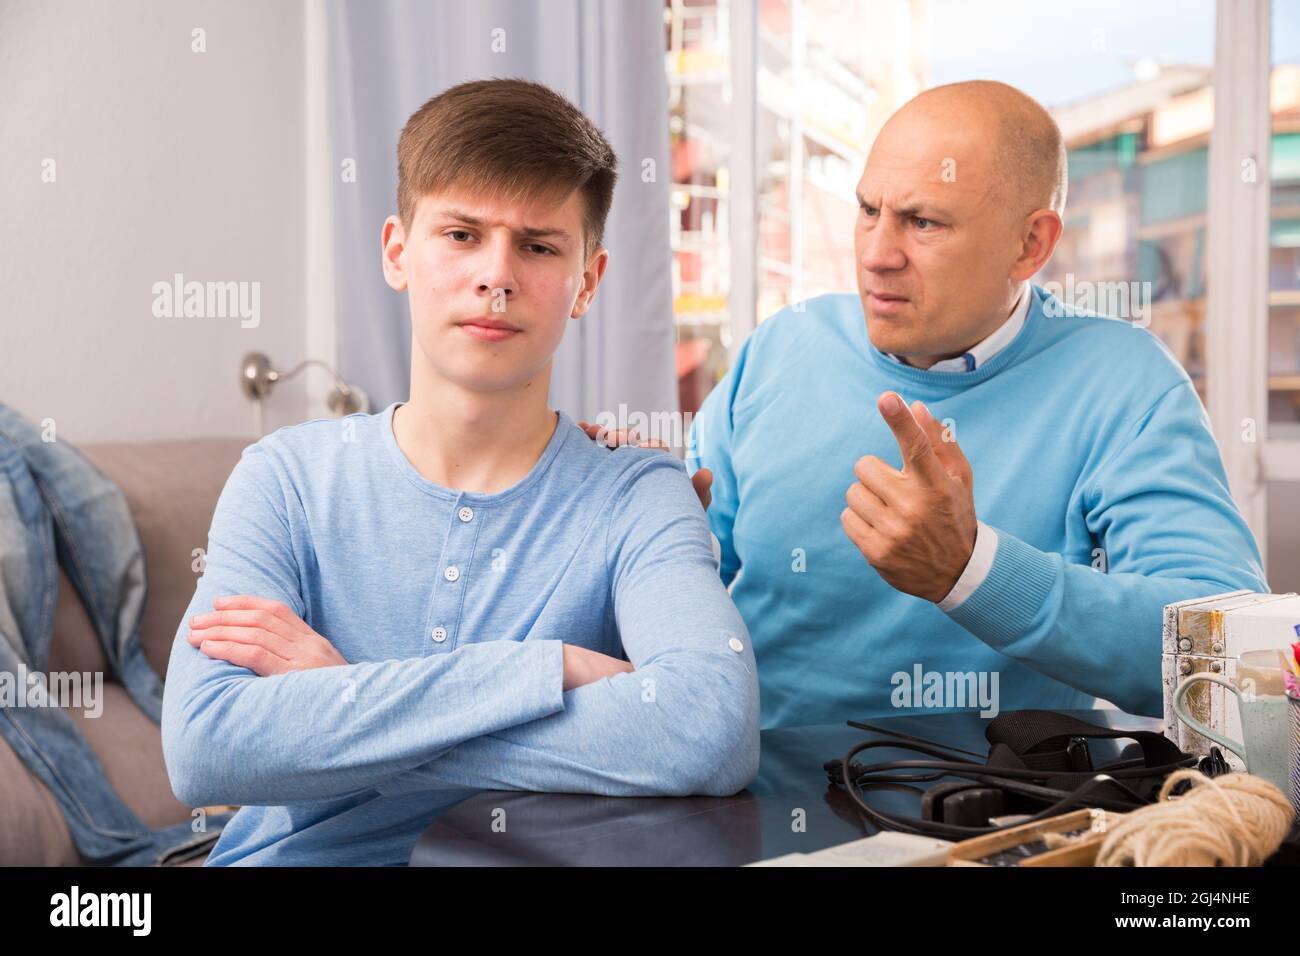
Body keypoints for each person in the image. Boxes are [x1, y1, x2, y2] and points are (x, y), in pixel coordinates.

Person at [161, 78, 759, 866]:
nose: (497, 276)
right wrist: (550, 670)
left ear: (587, 280)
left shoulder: (639, 494)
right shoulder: (285, 478)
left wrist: (351, 696)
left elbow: (710, 729)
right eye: (462, 235)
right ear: (397, 252)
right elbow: (205, 747)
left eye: (539, 245)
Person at [597, 80, 1266, 728]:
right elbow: (695, 584)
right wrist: (643, 527)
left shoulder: (1123, 381)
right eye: (867, 211)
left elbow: (1226, 655)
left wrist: (972, 570)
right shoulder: (782, 346)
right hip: (751, 794)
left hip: (994, 816)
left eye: (923, 222)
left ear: (1030, 243)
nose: (877, 255)